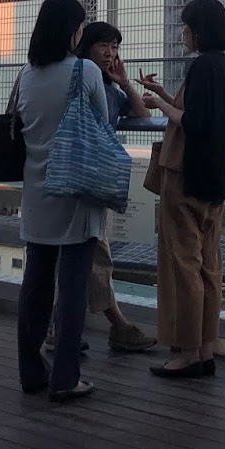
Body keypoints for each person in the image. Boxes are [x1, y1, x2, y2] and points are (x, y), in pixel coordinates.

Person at [141, 0, 225, 379]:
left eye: (186, 27)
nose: (182, 33)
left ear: (198, 30)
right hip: (217, 179)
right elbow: (210, 117)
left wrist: (165, 108)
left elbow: (195, 123)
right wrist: (165, 96)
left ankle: (185, 353)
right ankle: (205, 348)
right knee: (209, 267)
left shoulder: (201, 66)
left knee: (183, 266)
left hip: (186, 177)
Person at [14, 0, 107, 401]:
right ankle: (67, 376)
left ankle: (31, 370)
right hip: (77, 189)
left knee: (35, 282)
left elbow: (15, 125)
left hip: (36, 189)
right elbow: (104, 124)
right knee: (72, 286)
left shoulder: (25, 74)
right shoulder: (85, 71)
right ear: (74, 30)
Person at [72, 21, 155, 353]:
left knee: (88, 253)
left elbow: (142, 115)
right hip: (79, 178)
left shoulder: (109, 88)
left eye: (116, 47)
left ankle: (66, 328)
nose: (111, 54)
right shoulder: (76, 80)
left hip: (97, 179)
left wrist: (124, 82)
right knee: (94, 252)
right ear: (87, 47)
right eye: (104, 46)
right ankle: (115, 326)